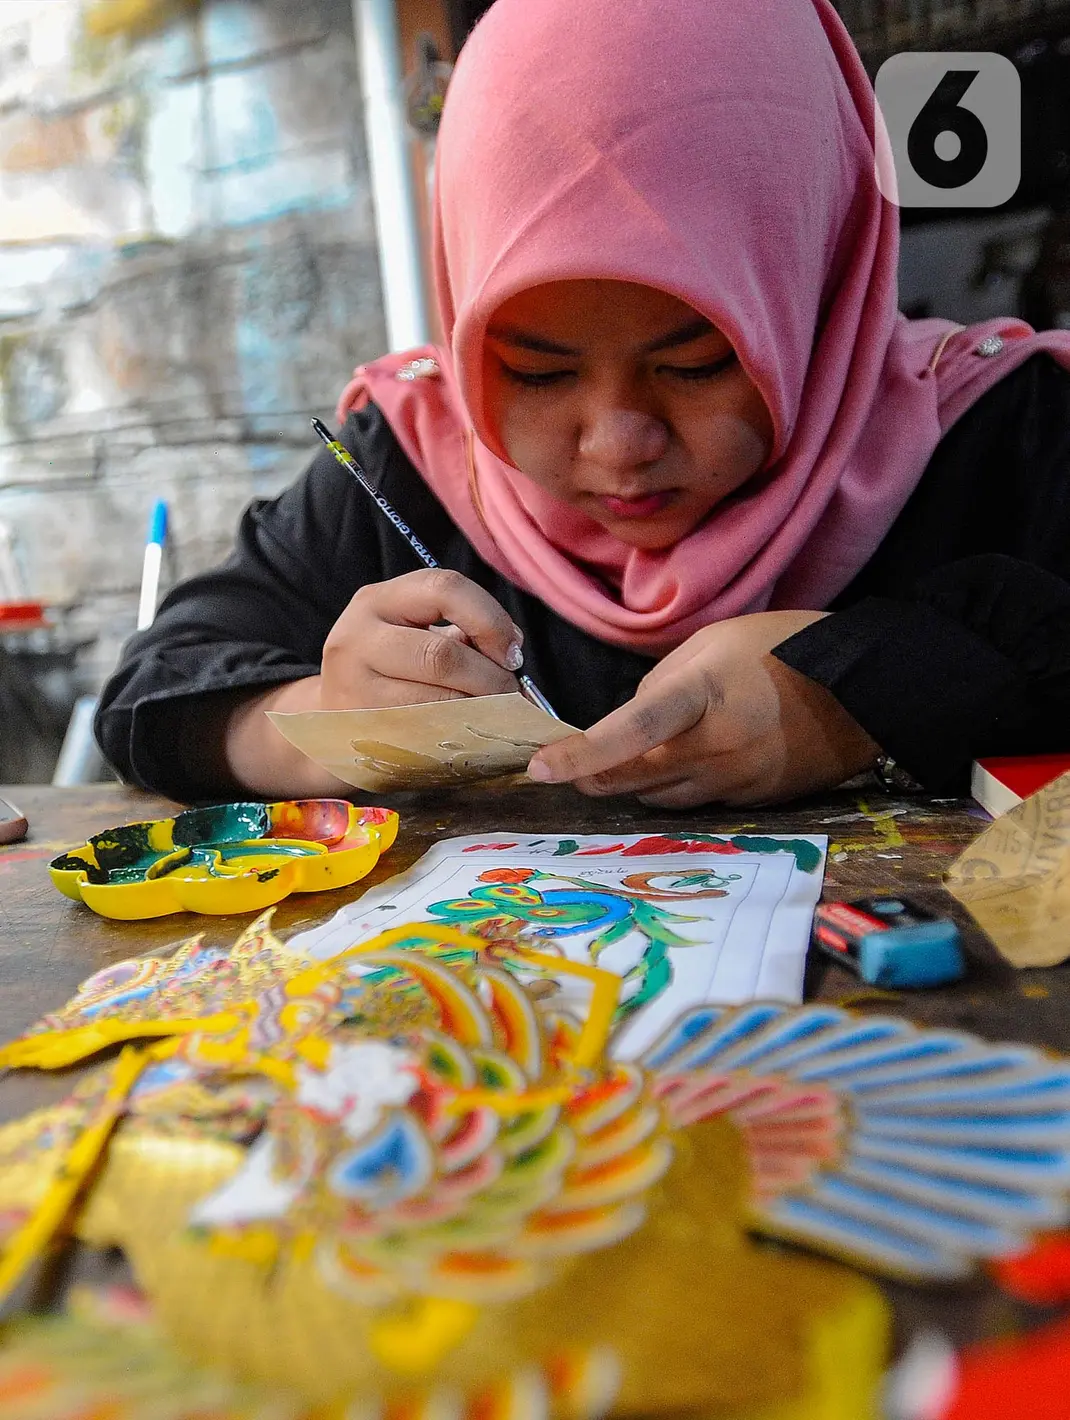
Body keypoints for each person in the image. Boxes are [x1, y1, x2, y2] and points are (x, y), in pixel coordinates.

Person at [96, 0, 1070, 809]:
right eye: (535, 373)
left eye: (694, 364)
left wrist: (861, 689)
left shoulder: (992, 430)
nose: (615, 446)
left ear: (816, 290)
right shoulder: (418, 455)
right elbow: (155, 689)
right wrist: (326, 725)